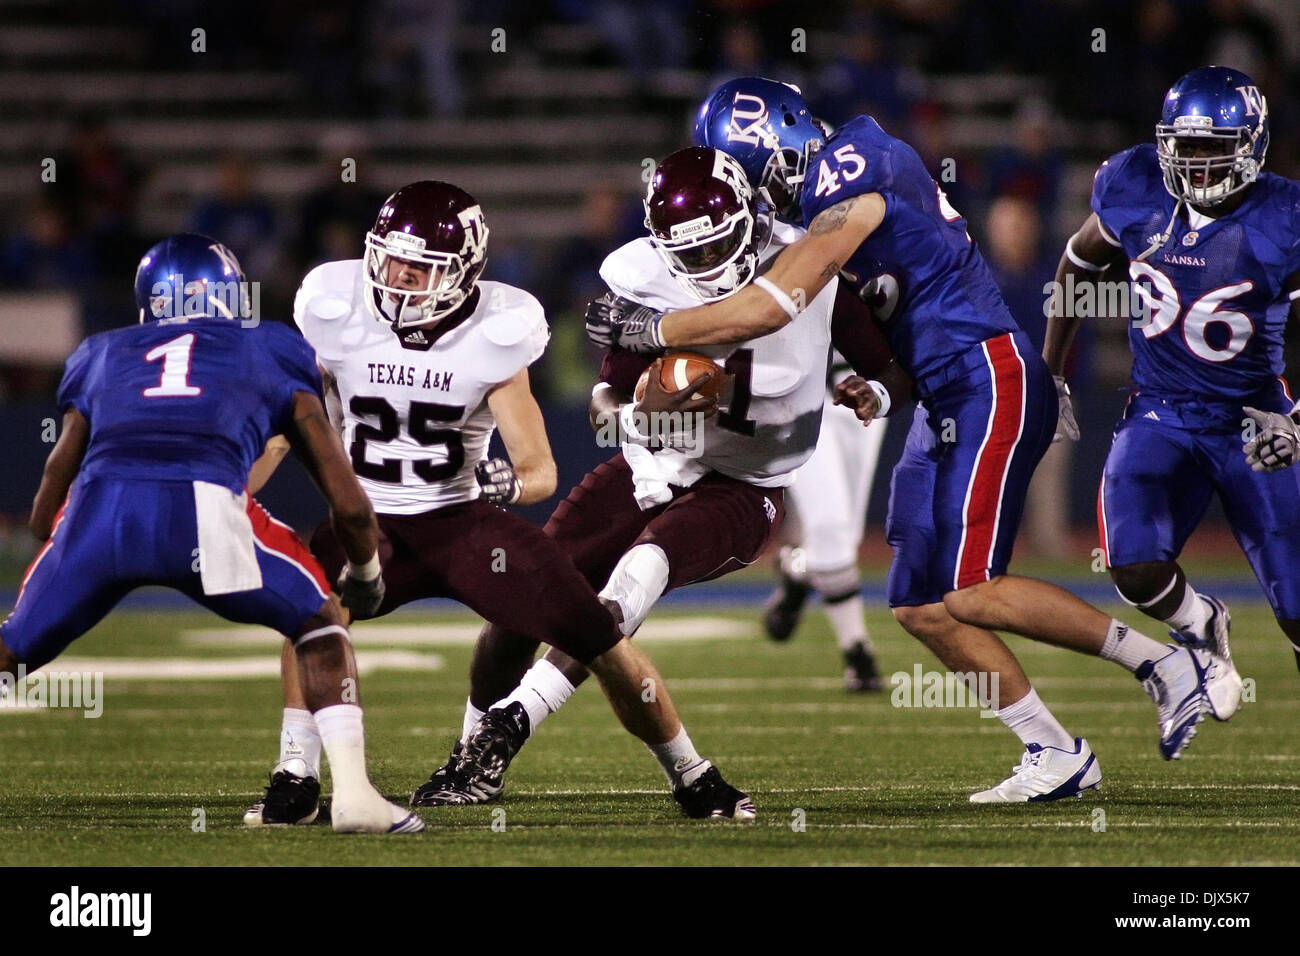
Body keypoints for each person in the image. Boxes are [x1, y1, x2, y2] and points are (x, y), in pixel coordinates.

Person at [589, 77, 1243, 802]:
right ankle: (1056, 751)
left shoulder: (852, 163)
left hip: (984, 372)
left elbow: (773, 305)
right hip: (939, 392)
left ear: (770, 151)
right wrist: (879, 388)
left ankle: (1165, 660)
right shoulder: (819, 193)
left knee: (969, 589)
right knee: (917, 604)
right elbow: (884, 326)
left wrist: (651, 328)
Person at [243, 181, 752, 825]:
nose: (399, 280)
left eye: (419, 266)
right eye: (390, 260)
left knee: (597, 633)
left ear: (464, 272)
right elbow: (295, 427)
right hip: (367, 522)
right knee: (307, 606)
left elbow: (540, 469)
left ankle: (690, 772)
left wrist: (505, 483)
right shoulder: (334, 310)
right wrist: (235, 488)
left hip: (460, 524)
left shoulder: (498, 333)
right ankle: (296, 775)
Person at [413, 147, 906, 808]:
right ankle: (471, 759)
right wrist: (635, 408)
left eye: (718, 247)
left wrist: (873, 389)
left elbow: (891, 364)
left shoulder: (807, 273)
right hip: (654, 464)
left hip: (745, 486)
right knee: (520, 605)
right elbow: (605, 398)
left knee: (639, 573)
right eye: (691, 254)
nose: (707, 267)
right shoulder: (646, 279)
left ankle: (513, 723)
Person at [0, 233, 422, 834]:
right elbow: (348, 501)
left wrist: (67, 549)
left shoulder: (101, 351)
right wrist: (366, 572)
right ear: (230, 293)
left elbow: (51, 486)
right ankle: (355, 797)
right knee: (321, 620)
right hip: (202, 508)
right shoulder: (273, 345)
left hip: (98, 511)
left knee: (12, 650)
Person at [1044, 66, 1300, 674]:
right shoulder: (1134, 185)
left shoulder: (1286, 217)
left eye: (1214, 150)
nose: (1198, 166)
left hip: (1254, 418)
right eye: (1185, 148)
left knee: (1297, 608)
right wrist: (1051, 374)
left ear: (1252, 146)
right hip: (1159, 410)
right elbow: (1079, 263)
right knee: (1131, 566)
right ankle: (1201, 621)